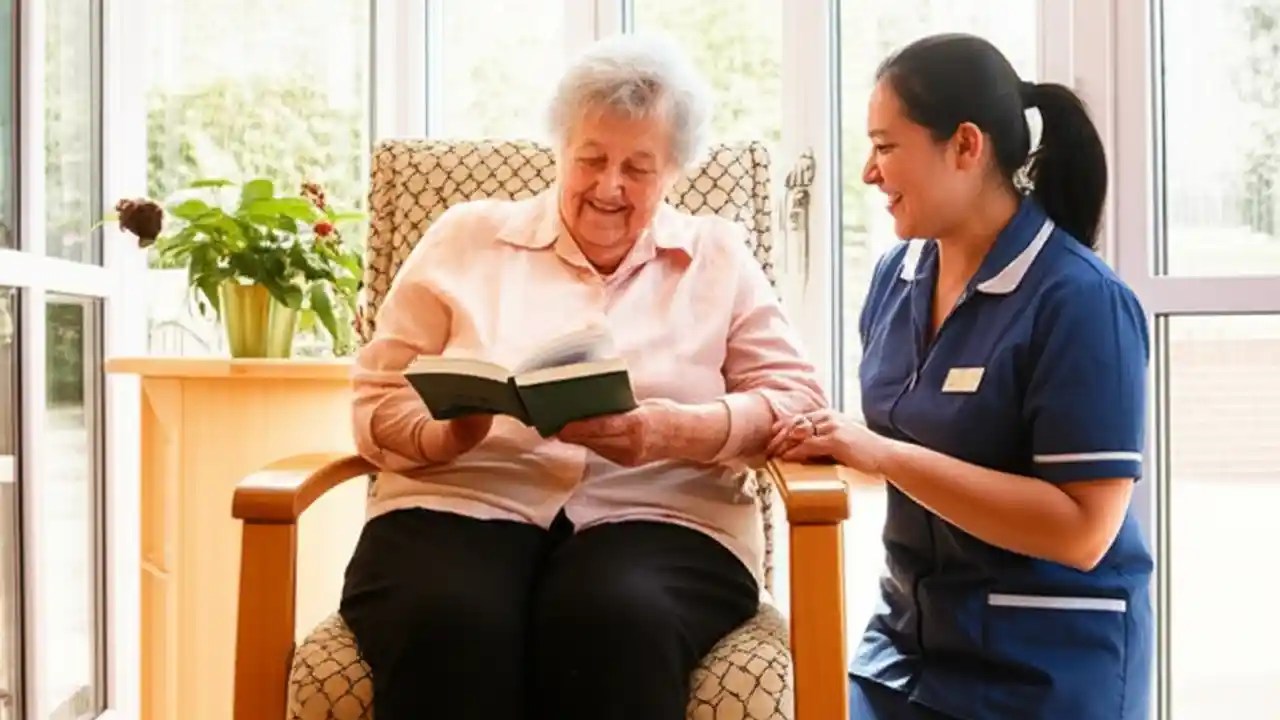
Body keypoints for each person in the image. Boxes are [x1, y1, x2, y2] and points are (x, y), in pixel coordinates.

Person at [343, 33, 826, 720]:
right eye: (591, 159)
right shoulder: (466, 237)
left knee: (612, 619)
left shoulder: (718, 257)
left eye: (639, 167)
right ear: (560, 151)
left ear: (676, 171)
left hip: (660, 517)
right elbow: (377, 399)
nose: (609, 186)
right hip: (459, 506)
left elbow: (800, 401)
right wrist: (443, 438)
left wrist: (672, 430)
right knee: (450, 620)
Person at [768, 33, 1153, 720]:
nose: (868, 172)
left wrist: (879, 452)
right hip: (908, 655)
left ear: (966, 146)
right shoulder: (897, 279)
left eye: (887, 147)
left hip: (1045, 669)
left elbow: (1083, 530)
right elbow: (914, 446)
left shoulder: (1081, 302)